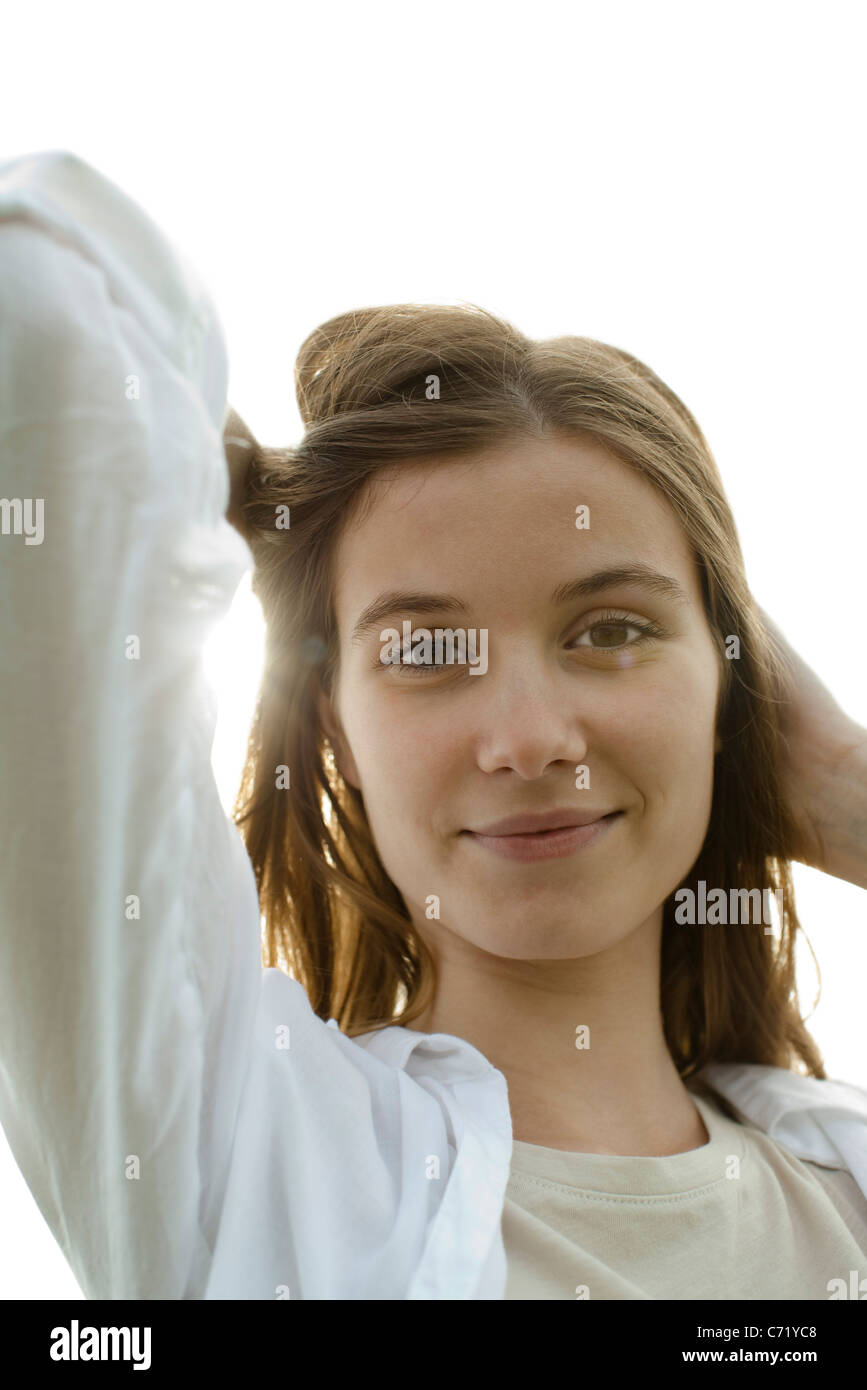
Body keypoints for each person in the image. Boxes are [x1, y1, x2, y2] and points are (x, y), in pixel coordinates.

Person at [1, 150, 865, 1302]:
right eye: (422, 651)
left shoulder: (841, 1181)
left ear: (729, 683)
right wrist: (226, 483)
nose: (530, 738)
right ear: (334, 732)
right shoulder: (245, 1149)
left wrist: (843, 784)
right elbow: (36, 293)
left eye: (611, 630)